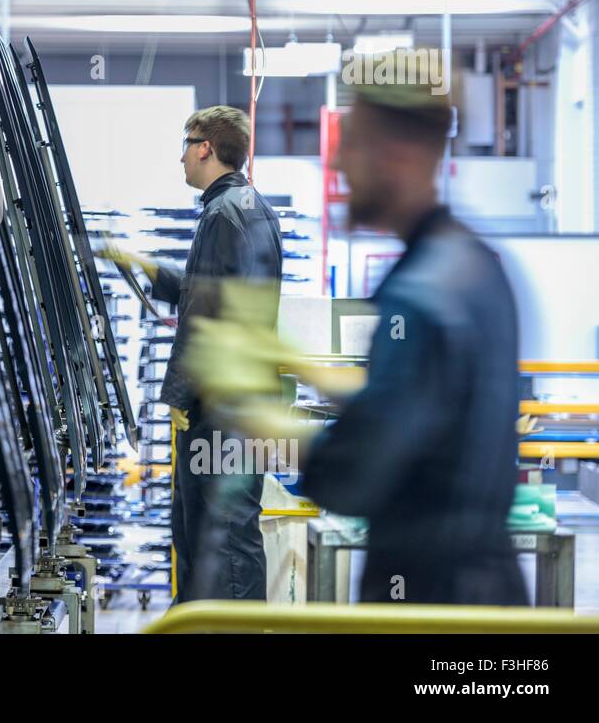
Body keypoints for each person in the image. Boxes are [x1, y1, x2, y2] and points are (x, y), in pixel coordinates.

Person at [187, 78, 527, 606]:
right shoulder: (471, 263)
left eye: (351, 147)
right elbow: (420, 411)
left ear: (400, 156)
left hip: (431, 604)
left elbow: (356, 472)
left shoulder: (420, 294)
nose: (339, 168)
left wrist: (255, 418)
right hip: (480, 591)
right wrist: (300, 365)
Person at [100, 105, 282, 602]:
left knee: (218, 537)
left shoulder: (224, 213)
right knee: (216, 533)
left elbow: (204, 314)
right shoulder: (246, 207)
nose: (180, 157)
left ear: (205, 147)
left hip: (221, 405)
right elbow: (217, 295)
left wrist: (179, 394)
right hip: (239, 401)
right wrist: (149, 269)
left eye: (185, 144)